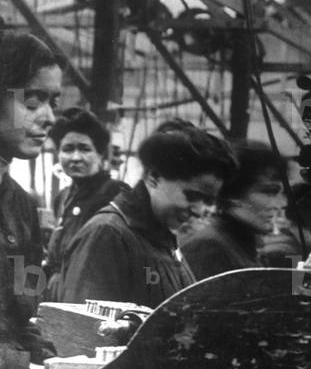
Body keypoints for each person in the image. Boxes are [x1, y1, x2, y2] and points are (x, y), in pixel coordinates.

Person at [58, 119, 236, 306]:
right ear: (154, 177)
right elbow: (81, 328)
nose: (200, 210)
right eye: (192, 195)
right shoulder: (108, 235)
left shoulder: (163, 237)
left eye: (208, 201)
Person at [0, 31, 59, 369]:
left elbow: (25, 318)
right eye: (33, 102)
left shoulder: (21, 206)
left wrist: (54, 365)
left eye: (54, 102)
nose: (50, 117)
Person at [44, 107, 129, 299]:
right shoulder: (63, 197)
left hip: (94, 292)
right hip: (58, 293)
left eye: (84, 149)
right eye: (67, 149)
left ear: (100, 154)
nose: (75, 157)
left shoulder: (116, 193)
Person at [181, 140, 287, 280]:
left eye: (282, 193)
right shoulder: (210, 246)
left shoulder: (238, 243)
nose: (282, 203)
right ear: (234, 195)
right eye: (269, 192)